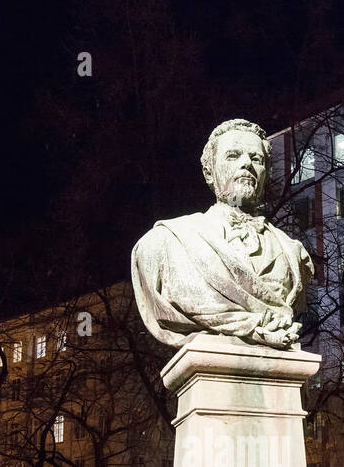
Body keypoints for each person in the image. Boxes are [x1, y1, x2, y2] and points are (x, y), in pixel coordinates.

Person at [131, 119, 313, 349]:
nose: (247, 163)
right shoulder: (166, 242)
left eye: (256, 159)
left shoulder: (293, 254)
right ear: (210, 172)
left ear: (265, 173)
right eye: (233, 156)